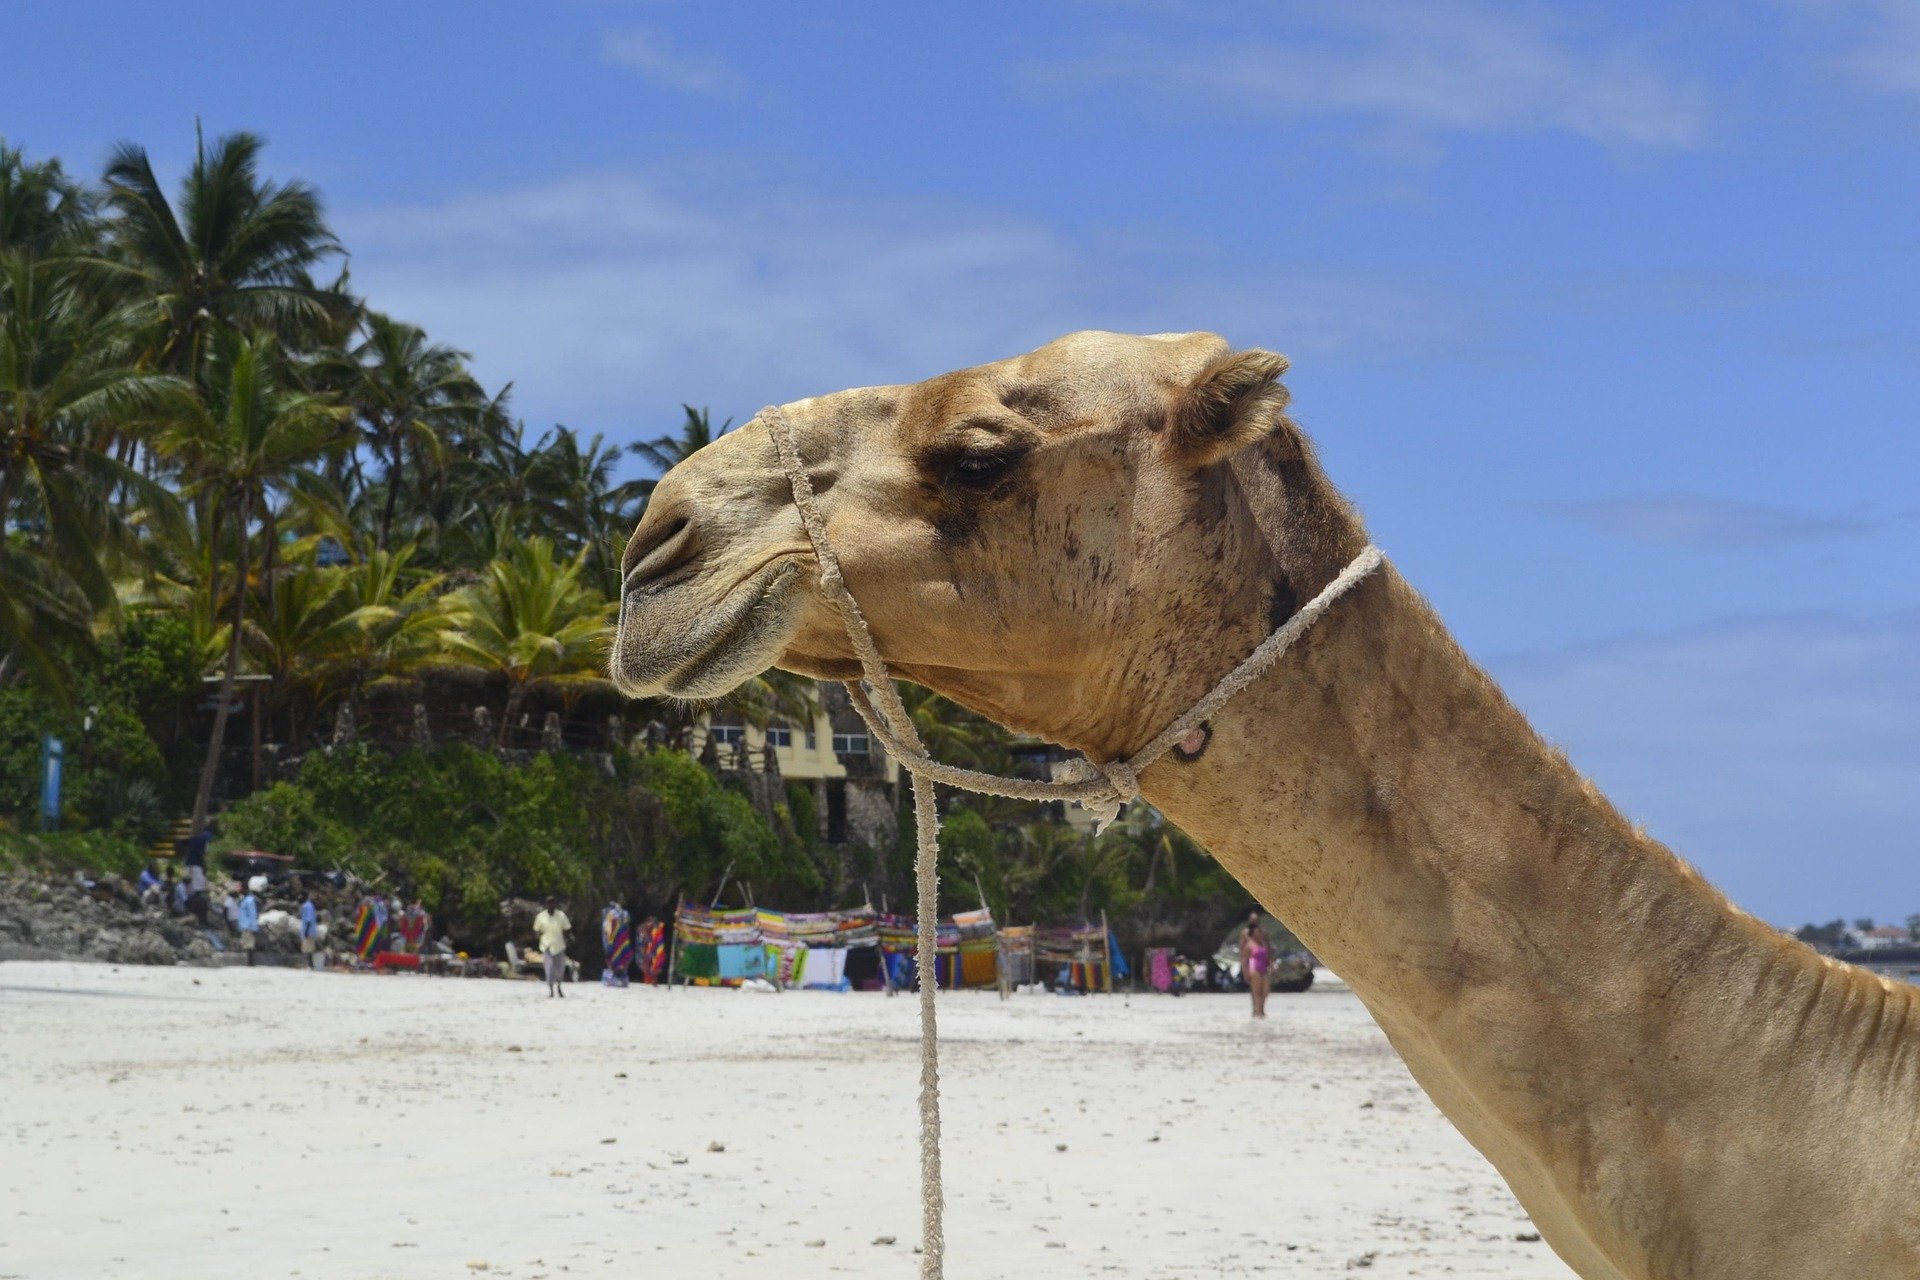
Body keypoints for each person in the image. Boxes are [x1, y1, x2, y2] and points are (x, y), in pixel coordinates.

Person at [533, 897, 571, 998]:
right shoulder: (541, 917)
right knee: (549, 968)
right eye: (549, 903)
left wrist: (569, 939)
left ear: (555, 904)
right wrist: (538, 937)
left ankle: (559, 987)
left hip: (559, 945)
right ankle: (551, 990)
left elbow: (567, 928)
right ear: (546, 904)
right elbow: (536, 929)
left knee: (560, 968)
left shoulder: (561, 915)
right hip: (547, 945)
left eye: (553, 903)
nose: (551, 905)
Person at [1239, 909, 1271, 1019]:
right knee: (1255, 990)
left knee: (1264, 990)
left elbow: (1268, 945)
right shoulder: (1245, 932)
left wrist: (1270, 962)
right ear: (1249, 920)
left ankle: (1260, 1009)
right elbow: (1242, 948)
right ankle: (1256, 1009)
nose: (1254, 920)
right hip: (1252, 961)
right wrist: (1244, 967)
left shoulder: (1262, 932)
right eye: (1252, 919)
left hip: (1262, 962)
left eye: (1256, 919)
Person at [601, 901, 633, 988]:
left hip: (614, 939)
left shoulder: (609, 913)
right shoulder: (626, 913)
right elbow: (628, 925)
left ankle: (610, 979)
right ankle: (622, 979)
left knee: (611, 958)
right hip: (623, 938)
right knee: (622, 957)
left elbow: (606, 929)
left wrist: (606, 941)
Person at [236, 883, 261, 967]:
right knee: (247, 944)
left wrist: (254, 927)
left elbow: (252, 914)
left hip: (248, 926)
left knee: (250, 945)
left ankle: (251, 962)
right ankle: (249, 962)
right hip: (245, 926)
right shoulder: (245, 900)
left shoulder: (249, 900)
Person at [299, 893, 321, 970]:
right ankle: (311, 965)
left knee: (307, 949)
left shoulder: (306, 906)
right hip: (311, 930)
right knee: (310, 949)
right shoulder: (311, 906)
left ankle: (309, 965)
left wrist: (306, 932)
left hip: (308, 931)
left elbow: (308, 919)